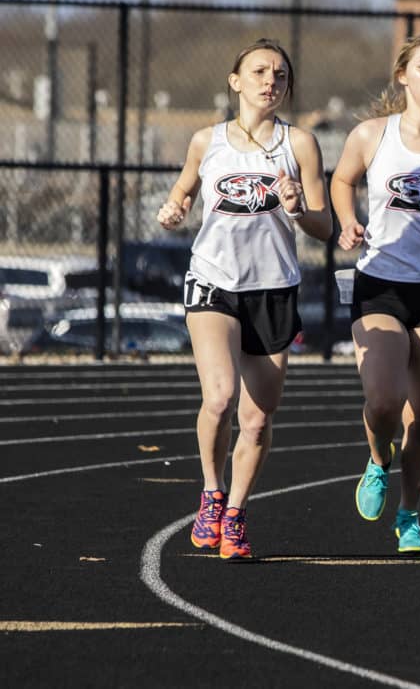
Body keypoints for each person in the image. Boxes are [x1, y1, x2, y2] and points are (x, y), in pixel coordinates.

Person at [157, 38, 331, 560]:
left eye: (280, 74)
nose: (269, 81)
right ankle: (211, 493)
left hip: (273, 288)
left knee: (258, 418)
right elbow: (183, 192)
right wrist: (173, 208)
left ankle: (235, 512)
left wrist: (299, 209)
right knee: (220, 398)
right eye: (259, 71)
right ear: (235, 81)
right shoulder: (205, 141)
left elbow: (325, 226)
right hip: (213, 281)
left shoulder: (299, 145)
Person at [331, 33, 420, 553]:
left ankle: (409, 514)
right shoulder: (372, 135)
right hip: (381, 280)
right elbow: (343, 180)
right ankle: (376, 461)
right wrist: (347, 221)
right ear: (403, 75)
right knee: (383, 401)